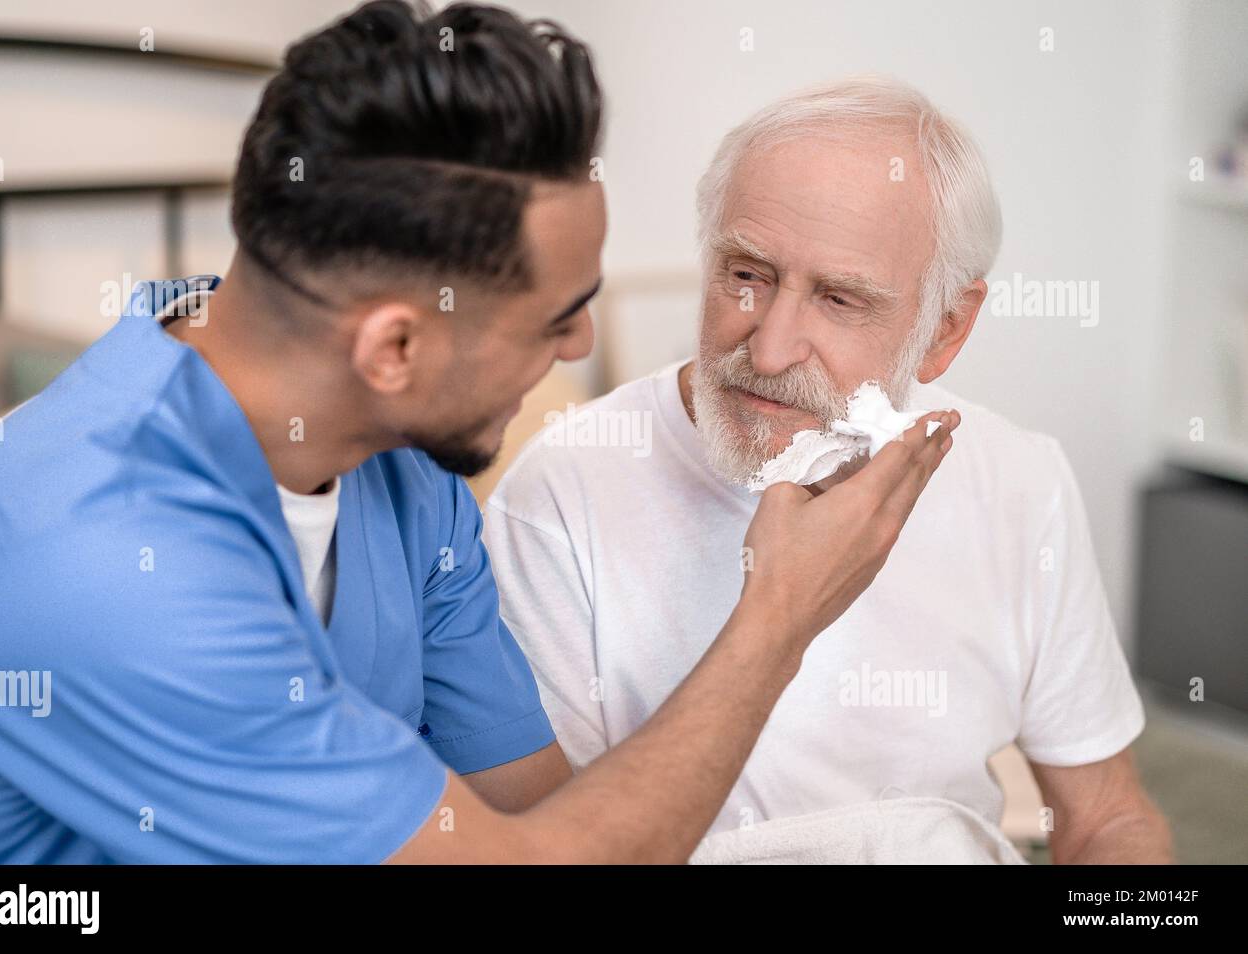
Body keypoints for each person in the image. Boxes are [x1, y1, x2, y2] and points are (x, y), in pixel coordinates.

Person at [0, 2, 957, 864]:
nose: (583, 343)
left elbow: (538, 813)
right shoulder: (106, 567)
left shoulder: (403, 472)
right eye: (554, 316)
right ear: (393, 349)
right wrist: (778, 615)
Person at [483, 76, 1173, 863]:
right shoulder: (561, 493)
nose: (770, 350)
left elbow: (1110, 819)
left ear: (945, 329)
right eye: (746, 273)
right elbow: (549, 852)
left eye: (840, 300)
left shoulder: (1019, 479)